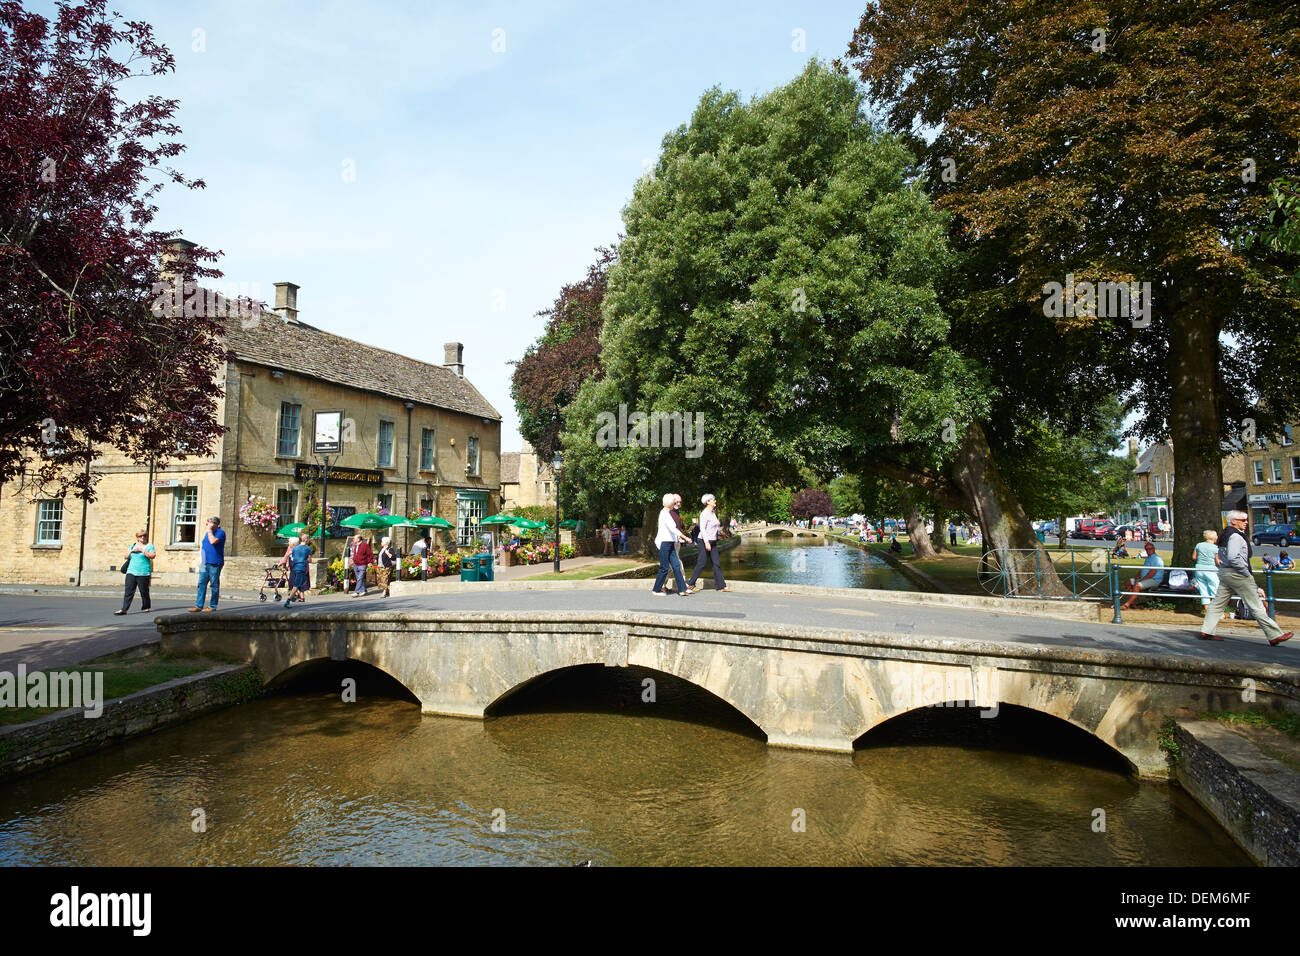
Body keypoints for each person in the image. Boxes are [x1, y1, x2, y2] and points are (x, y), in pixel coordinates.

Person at [1200, 511, 1292, 645]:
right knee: (1256, 605)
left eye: (1246, 520)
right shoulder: (1236, 536)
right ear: (1233, 521)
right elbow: (1233, 557)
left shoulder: (1225, 534)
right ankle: (1274, 635)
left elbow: (1224, 555)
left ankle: (1207, 630)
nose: (1246, 522)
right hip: (1238, 574)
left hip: (1225, 572)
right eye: (1242, 520)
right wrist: (1245, 571)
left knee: (1217, 604)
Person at [687, 493, 729, 592]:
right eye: (713, 500)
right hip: (704, 541)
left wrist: (721, 532)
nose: (715, 501)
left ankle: (721, 586)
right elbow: (702, 529)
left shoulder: (713, 512)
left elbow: (715, 526)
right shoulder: (704, 514)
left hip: (713, 541)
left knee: (716, 563)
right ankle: (690, 584)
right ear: (708, 502)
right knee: (702, 562)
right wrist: (706, 542)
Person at [652, 493, 691, 596]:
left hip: (670, 543)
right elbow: (672, 529)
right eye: (674, 501)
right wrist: (686, 537)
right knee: (664, 567)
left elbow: (672, 531)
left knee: (676, 565)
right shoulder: (664, 513)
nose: (676, 503)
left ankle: (682, 589)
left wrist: (678, 539)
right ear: (670, 503)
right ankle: (656, 590)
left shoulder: (668, 512)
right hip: (664, 543)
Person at [115, 529, 155, 615]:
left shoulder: (149, 546)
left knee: (144, 591)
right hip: (131, 571)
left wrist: (142, 551)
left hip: (143, 572)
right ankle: (124, 609)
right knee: (128, 591)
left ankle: (146, 606)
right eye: (140, 536)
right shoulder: (133, 545)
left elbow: (152, 556)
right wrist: (132, 551)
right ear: (137, 538)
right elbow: (125, 556)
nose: (143, 537)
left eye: (144, 535)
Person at [190, 517, 225, 612]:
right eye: (208, 523)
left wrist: (209, 530)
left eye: (211, 523)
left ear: (216, 524)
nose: (209, 525)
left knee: (214, 585)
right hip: (205, 562)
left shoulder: (220, 533)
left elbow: (213, 541)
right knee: (201, 584)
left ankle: (212, 606)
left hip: (215, 562)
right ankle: (198, 605)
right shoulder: (207, 534)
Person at [1121, 541, 1165, 609]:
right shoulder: (1148, 558)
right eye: (1146, 549)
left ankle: (1127, 604)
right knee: (1128, 582)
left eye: (1150, 549)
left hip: (1154, 580)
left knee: (1137, 585)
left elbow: (1152, 572)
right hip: (1145, 578)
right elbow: (1142, 570)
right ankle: (1133, 603)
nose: (1148, 550)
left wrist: (1141, 580)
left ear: (1154, 549)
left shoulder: (1157, 559)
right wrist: (1135, 578)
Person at [284, 532, 314, 607]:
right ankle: (288, 600)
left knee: (301, 582)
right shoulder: (308, 548)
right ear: (306, 539)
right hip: (301, 568)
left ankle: (296, 596)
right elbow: (310, 560)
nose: (309, 540)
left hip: (294, 567)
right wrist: (306, 560)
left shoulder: (295, 548)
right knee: (296, 585)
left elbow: (288, 555)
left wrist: (284, 563)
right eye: (308, 539)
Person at [1192, 529, 1220, 607]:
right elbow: (1218, 561)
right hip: (1210, 570)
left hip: (1199, 569)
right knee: (1215, 588)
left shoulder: (1199, 545)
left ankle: (1206, 608)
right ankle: (1217, 610)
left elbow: (1194, 557)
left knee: (1203, 588)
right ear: (1214, 538)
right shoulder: (1215, 548)